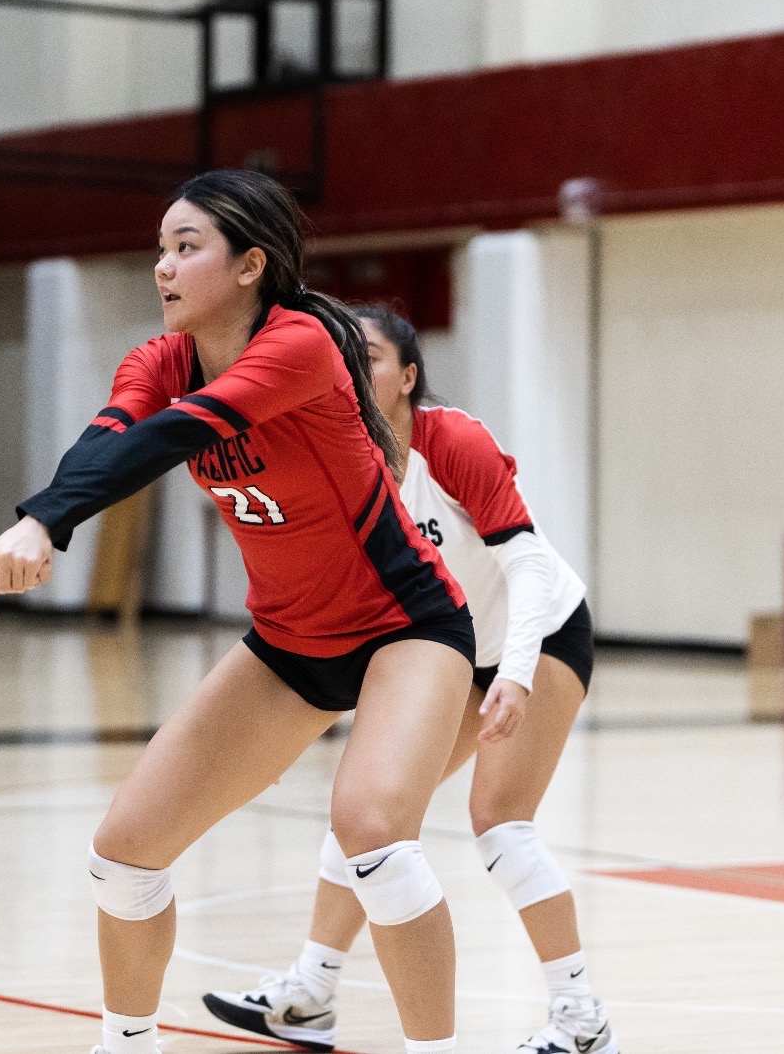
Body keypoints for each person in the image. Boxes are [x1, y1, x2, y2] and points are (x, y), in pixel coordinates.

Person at [0, 170, 474, 1054]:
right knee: (124, 853)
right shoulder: (157, 360)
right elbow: (111, 438)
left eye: (186, 248)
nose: (163, 268)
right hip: (289, 642)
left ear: (251, 265)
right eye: (159, 251)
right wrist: (44, 510)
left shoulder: (299, 348)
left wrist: (48, 521)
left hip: (406, 626)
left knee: (372, 836)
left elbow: (174, 437)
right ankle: (128, 1045)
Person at [203, 305, 615, 1054]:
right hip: (452, 650)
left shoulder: (450, 439)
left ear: (409, 377)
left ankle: (582, 1019)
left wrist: (516, 675)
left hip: (541, 632)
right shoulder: (339, 451)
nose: (355, 372)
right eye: (343, 358)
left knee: (501, 824)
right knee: (371, 818)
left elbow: (524, 562)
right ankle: (311, 993)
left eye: (372, 357)